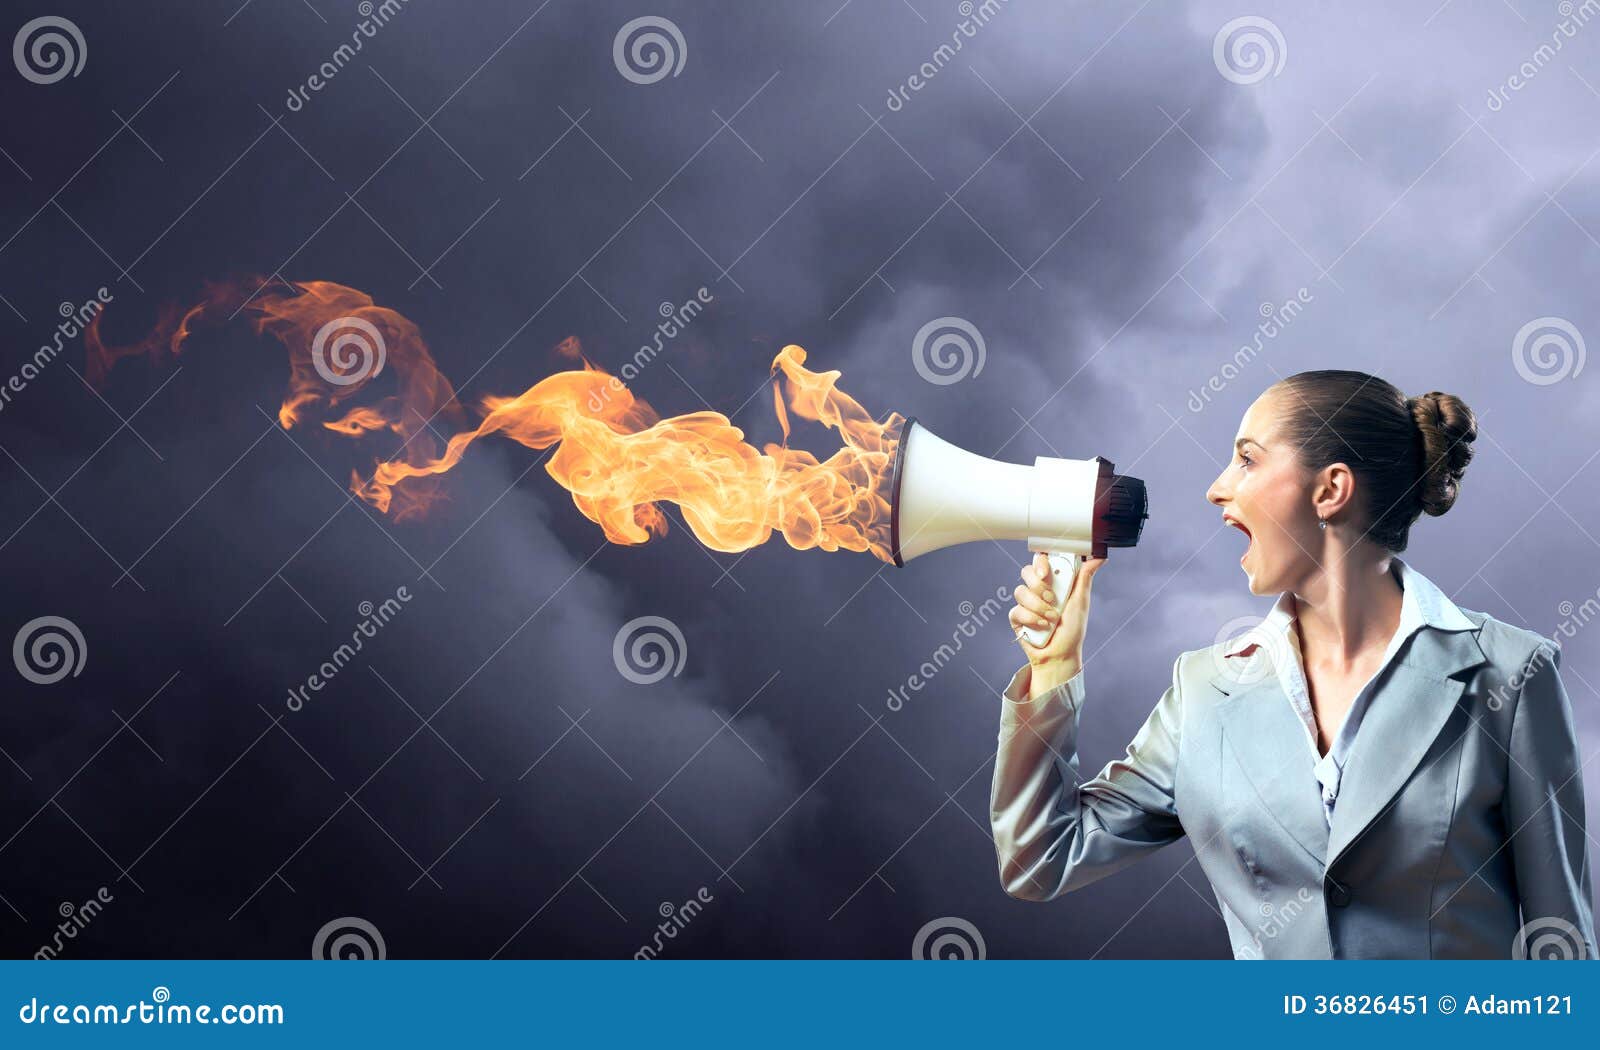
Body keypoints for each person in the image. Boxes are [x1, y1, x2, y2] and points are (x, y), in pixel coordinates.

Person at [991, 370, 1595, 959]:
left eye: (1248, 459)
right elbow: (1041, 859)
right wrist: (1053, 668)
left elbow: (1561, 942)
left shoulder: (1510, 674)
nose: (1217, 488)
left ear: (1330, 490)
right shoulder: (1205, 690)